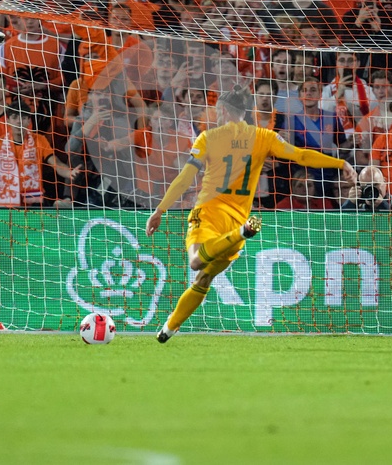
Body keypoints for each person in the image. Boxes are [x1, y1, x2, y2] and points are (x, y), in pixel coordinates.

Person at [146, 85, 357, 343]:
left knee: (196, 261)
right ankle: (169, 328)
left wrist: (160, 209)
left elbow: (185, 177)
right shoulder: (263, 137)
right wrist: (340, 163)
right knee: (204, 277)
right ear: (245, 111)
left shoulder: (208, 138)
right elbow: (300, 155)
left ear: (223, 111)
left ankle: (241, 233)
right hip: (238, 217)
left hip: (210, 212)